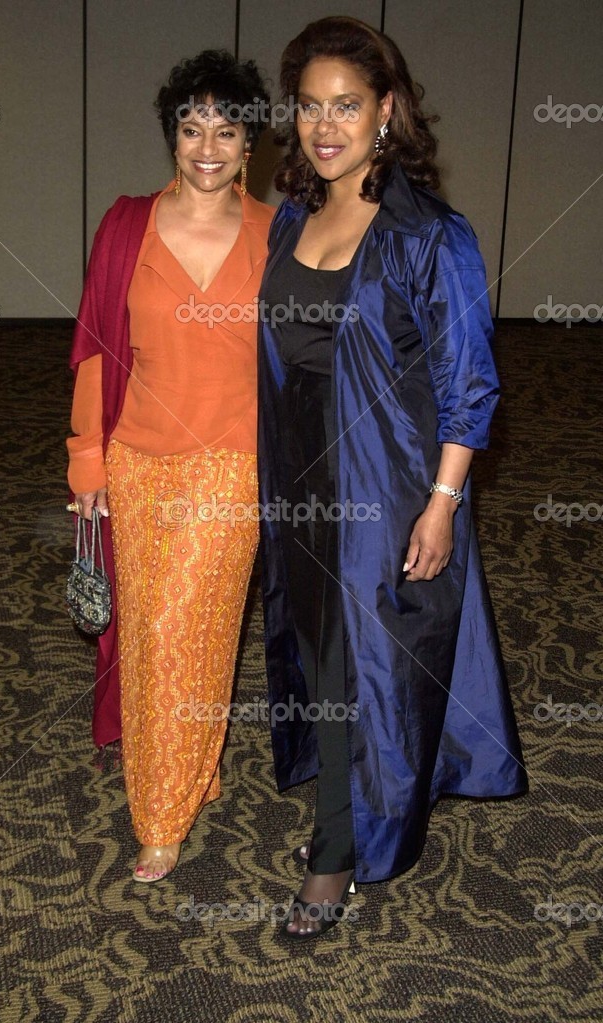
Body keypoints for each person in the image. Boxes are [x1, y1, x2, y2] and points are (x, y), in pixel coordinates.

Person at [258, 16, 527, 940]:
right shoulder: (295, 215)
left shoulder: (429, 234)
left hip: (383, 485)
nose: (325, 125)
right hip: (294, 471)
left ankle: (339, 852)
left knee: (355, 668)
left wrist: (443, 503)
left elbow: (469, 382)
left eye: (346, 105)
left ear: (386, 112)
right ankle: (350, 807)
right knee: (315, 649)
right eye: (308, 106)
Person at [67, 50, 273, 882]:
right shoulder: (125, 225)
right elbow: (94, 353)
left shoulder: (276, 232)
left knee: (189, 628)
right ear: (171, 137)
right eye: (191, 128)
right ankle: (195, 763)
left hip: (234, 465)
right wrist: (87, 466)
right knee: (154, 634)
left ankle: (159, 815)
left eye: (226, 128)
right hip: (137, 461)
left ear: (250, 140)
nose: (208, 145)